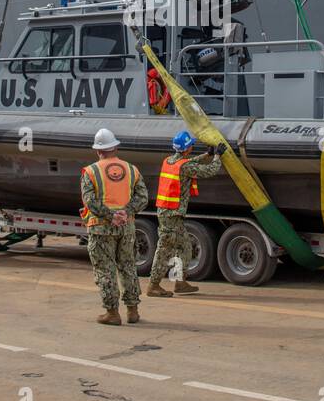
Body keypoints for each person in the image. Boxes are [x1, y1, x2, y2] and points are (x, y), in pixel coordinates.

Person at [80, 128, 148, 325]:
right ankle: (133, 310)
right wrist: (125, 212)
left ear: (98, 150)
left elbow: (89, 201)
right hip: (127, 227)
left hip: (101, 227)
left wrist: (111, 216)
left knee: (105, 269)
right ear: (115, 147)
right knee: (127, 266)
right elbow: (142, 197)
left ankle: (112, 313)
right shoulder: (132, 169)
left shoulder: (91, 171)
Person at [147, 131, 225, 298]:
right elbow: (209, 171)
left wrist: (207, 154)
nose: (192, 147)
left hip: (167, 212)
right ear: (188, 148)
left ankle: (179, 282)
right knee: (165, 249)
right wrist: (217, 156)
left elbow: (187, 163)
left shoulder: (168, 161)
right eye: (191, 145)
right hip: (172, 215)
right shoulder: (185, 166)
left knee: (183, 246)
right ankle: (154, 285)